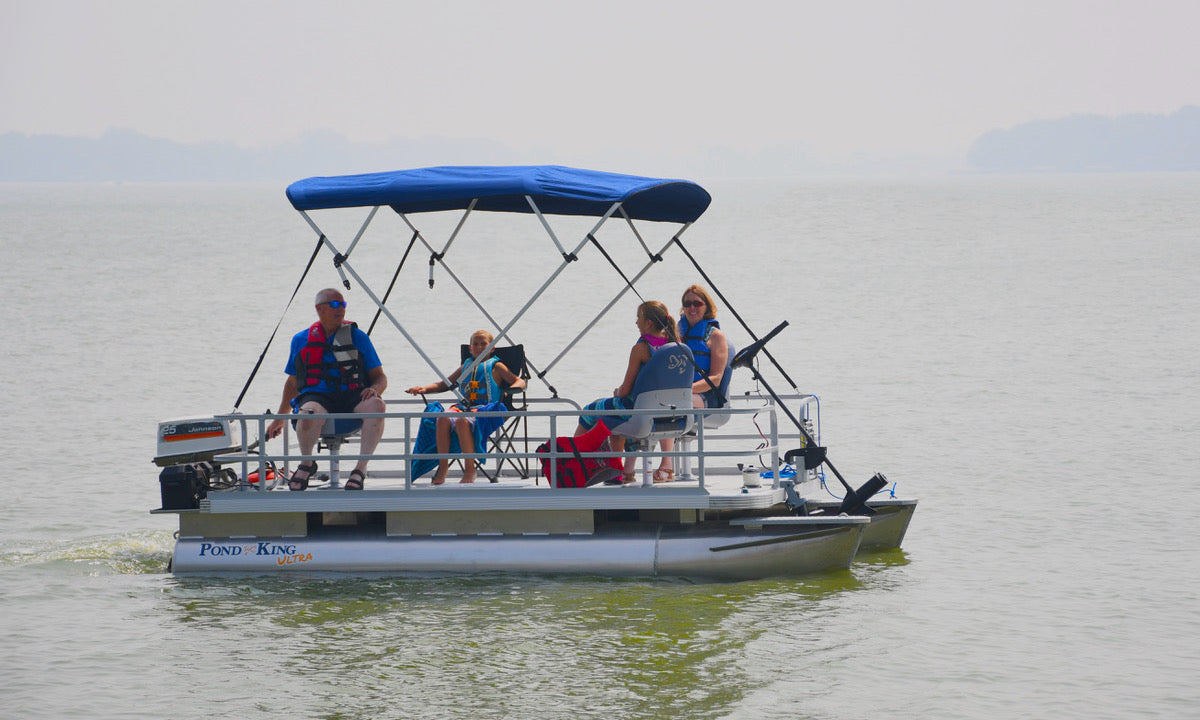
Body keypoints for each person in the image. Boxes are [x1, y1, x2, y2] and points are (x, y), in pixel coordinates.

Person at [266, 288, 387, 491]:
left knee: (377, 405)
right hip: (318, 396)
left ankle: (360, 469)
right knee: (307, 413)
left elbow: (380, 377)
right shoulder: (301, 340)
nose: (340, 309)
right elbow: (293, 383)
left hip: (352, 394)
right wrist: (279, 418)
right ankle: (307, 464)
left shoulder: (358, 337)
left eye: (343, 304)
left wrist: (375, 389)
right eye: (334, 304)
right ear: (319, 309)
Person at [575, 301, 679, 484]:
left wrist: (617, 392)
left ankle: (572, 459)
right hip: (665, 411)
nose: (636, 322)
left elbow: (625, 390)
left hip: (636, 408)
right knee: (614, 418)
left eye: (639, 318)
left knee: (589, 411)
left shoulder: (641, 349)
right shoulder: (675, 347)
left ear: (649, 324)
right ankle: (626, 472)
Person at [406, 330, 526, 484]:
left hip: (486, 408)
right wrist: (424, 389)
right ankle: (443, 467)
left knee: (462, 421)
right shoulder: (466, 366)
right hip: (464, 407)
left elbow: (519, 381)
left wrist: (512, 388)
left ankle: (470, 470)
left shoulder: (497, 366)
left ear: (492, 348)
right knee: (442, 419)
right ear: (470, 349)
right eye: (475, 344)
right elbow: (444, 384)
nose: (479, 347)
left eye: (483, 344)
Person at [678, 284, 729, 410]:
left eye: (697, 303)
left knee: (679, 401)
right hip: (678, 392)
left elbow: (716, 379)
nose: (692, 308)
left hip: (707, 394)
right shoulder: (675, 332)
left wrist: (686, 390)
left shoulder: (716, 336)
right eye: (687, 304)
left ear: (706, 307)